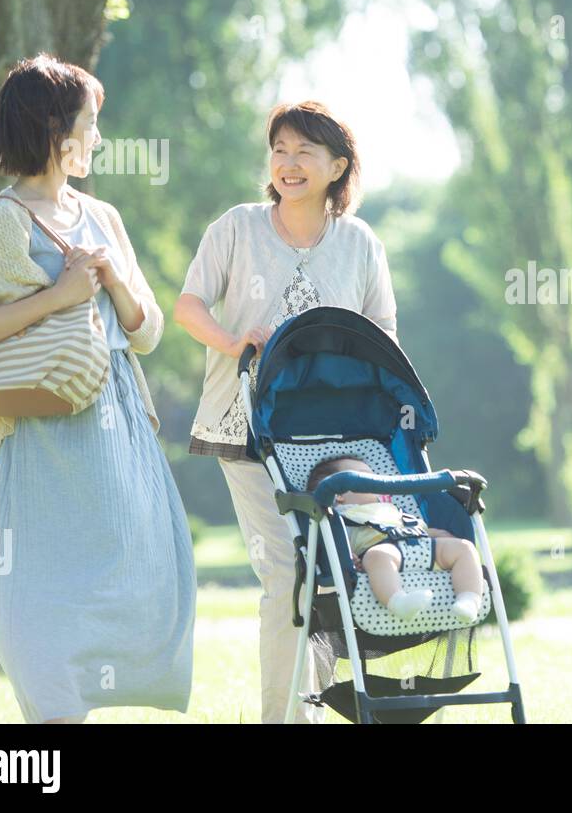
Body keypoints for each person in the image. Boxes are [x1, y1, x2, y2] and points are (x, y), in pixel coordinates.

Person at [0, 53, 196, 723]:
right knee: (39, 606)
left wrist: (111, 282)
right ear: (54, 130)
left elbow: (147, 331)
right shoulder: (1, 221)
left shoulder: (103, 217)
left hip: (116, 432)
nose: (100, 139)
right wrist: (58, 295)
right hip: (43, 433)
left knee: (134, 584)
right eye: (91, 124)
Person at [174, 100, 399, 723]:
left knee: (328, 574)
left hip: (337, 440)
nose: (288, 163)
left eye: (304, 151)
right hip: (244, 429)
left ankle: (311, 710)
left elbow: (384, 338)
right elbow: (189, 305)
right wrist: (232, 339)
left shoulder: (359, 244)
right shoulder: (237, 228)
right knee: (285, 574)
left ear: (338, 166)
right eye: (279, 149)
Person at [305, 456, 484, 623]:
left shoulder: (390, 508)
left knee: (465, 548)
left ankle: (469, 599)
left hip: (422, 544)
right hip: (385, 552)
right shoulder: (342, 516)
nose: (376, 483)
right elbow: (335, 540)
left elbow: (418, 527)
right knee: (377, 556)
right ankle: (399, 602)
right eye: (365, 478)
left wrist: (439, 535)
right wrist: (347, 555)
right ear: (339, 495)